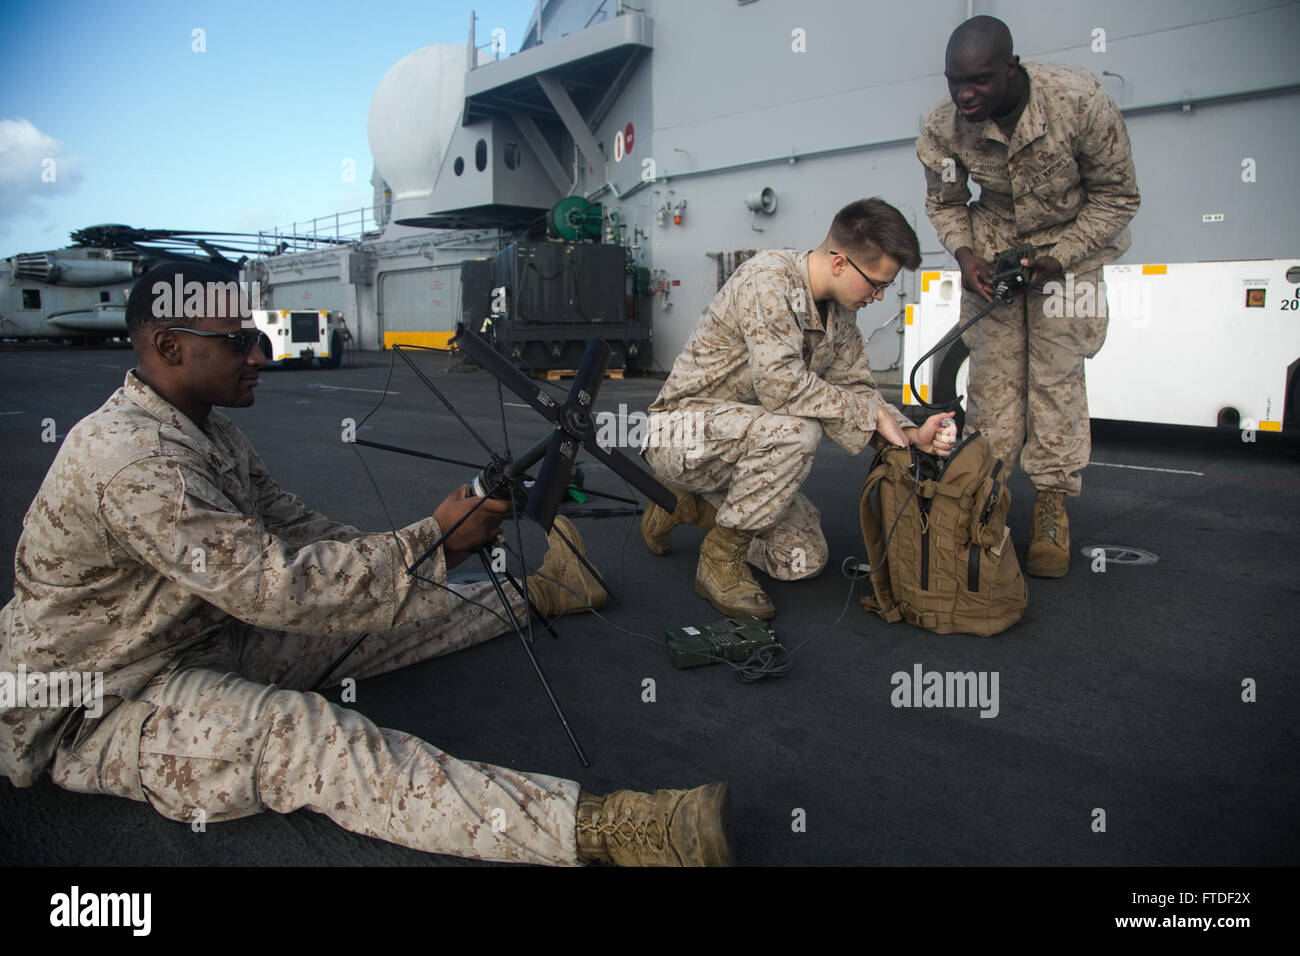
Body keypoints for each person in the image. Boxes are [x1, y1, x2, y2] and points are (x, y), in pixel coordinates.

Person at [0, 262, 732, 867]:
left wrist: (423, 544)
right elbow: (275, 589)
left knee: (387, 611)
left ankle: (546, 590)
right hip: (100, 701)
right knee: (305, 738)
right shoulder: (133, 459)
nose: (261, 354)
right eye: (239, 341)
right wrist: (434, 543)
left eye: (259, 335)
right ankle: (603, 829)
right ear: (167, 345)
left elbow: (295, 527)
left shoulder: (205, 430)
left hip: (201, 638)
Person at [640, 198, 956, 619]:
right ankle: (719, 561)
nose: (879, 297)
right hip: (683, 433)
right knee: (797, 429)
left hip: (750, 448)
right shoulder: (769, 279)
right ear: (841, 263)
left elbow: (857, 389)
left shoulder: (840, 315)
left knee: (801, 559)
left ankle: (686, 505)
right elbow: (780, 386)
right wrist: (868, 416)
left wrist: (912, 433)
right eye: (876, 284)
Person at [915, 15, 1140, 577]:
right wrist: (965, 255)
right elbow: (945, 202)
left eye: (980, 81)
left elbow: (1117, 197)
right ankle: (984, 498)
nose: (965, 96)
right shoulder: (944, 127)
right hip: (991, 255)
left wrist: (1059, 259)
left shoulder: (1080, 102)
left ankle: (1052, 509)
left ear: (1011, 69)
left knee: (1057, 382)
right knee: (991, 385)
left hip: (1071, 256)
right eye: (954, 82)